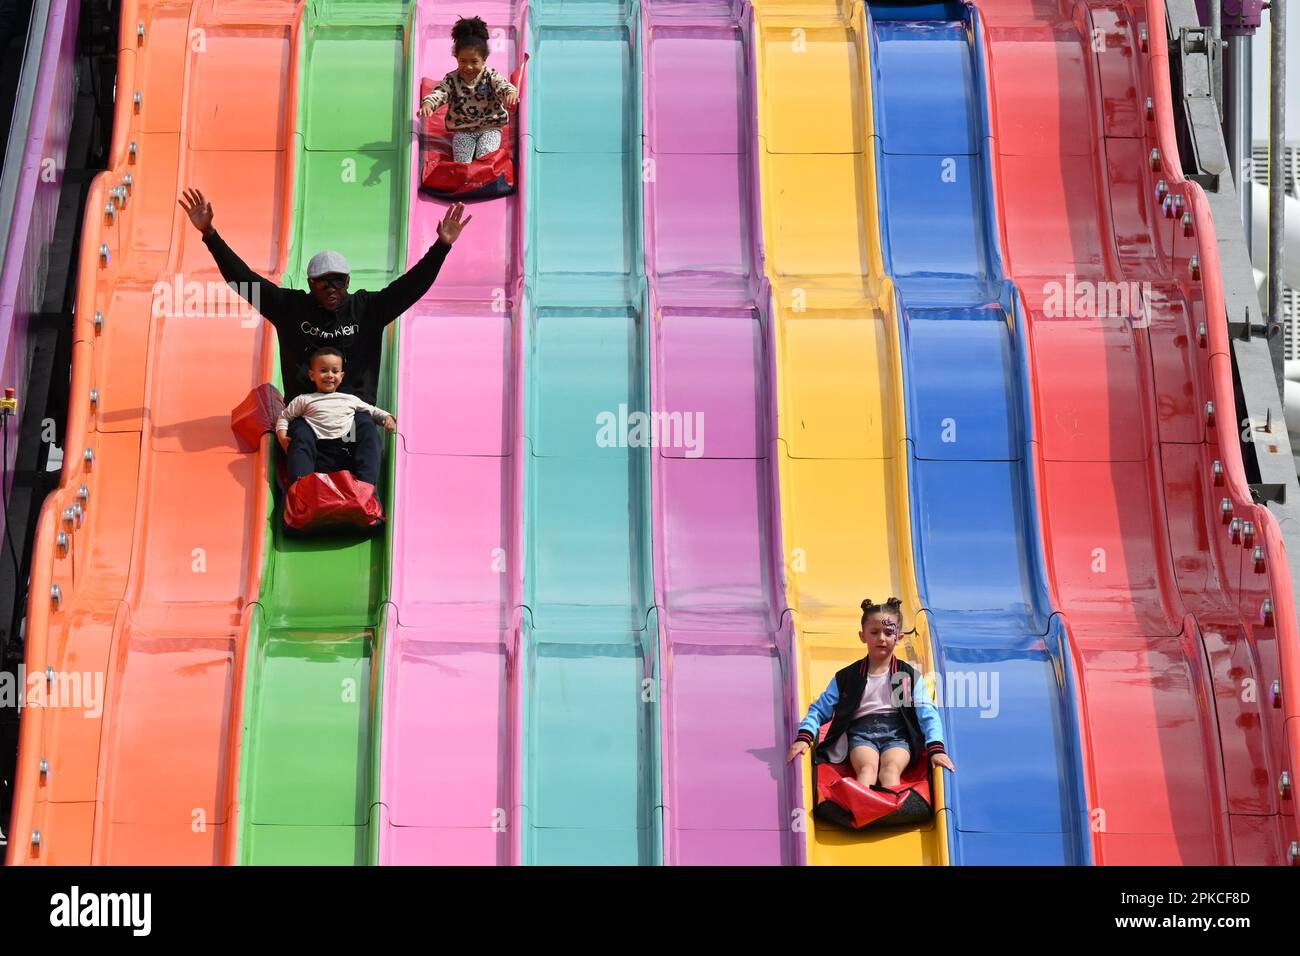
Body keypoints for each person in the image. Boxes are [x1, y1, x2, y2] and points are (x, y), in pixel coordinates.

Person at [178, 187, 470, 472]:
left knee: (368, 438)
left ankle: (366, 499)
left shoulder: (367, 309)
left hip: (353, 420)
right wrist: (210, 235)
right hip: (307, 419)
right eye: (323, 282)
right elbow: (244, 281)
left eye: (339, 281)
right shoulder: (290, 307)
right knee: (300, 441)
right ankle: (301, 499)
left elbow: (411, 287)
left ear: (348, 282)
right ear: (310, 284)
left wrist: (441, 247)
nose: (332, 289)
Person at [786, 598, 956, 790]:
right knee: (867, 769)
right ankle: (862, 809)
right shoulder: (848, 677)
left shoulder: (905, 676)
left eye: (889, 632)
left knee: (890, 769)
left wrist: (936, 748)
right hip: (861, 735)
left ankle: (892, 810)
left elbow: (927, 713)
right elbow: (819, 709)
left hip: (898, 736)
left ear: (899, 637)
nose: (881, 638)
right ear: (862, 636)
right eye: (874, 632)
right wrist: (804, 737)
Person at [276, 347, 395, 487]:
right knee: (300, 432)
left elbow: (372, 411)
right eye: (323, 370)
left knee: (366, 426)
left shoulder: (349, 399)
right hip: (318, 450)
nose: (329, 375)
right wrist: (282, 437)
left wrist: (386, 417)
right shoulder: (304, 400)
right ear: (312, 375)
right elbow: (284, 417)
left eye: (335, 371)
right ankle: (301, 487)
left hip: (345, 448)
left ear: (342, 376)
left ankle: (366, 485)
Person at [418, 15, 519, 164]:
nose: (468, 66)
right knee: (462, 161)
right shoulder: (452, 79)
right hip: (463, 130)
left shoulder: (490, 75)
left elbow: (502, 84)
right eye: (463, 61)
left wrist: (510, 92)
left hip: (490, 127)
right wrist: (429, 104)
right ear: (456, 58)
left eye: (474, 61)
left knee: (484, 155)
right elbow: (440, 92)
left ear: (484, 59)